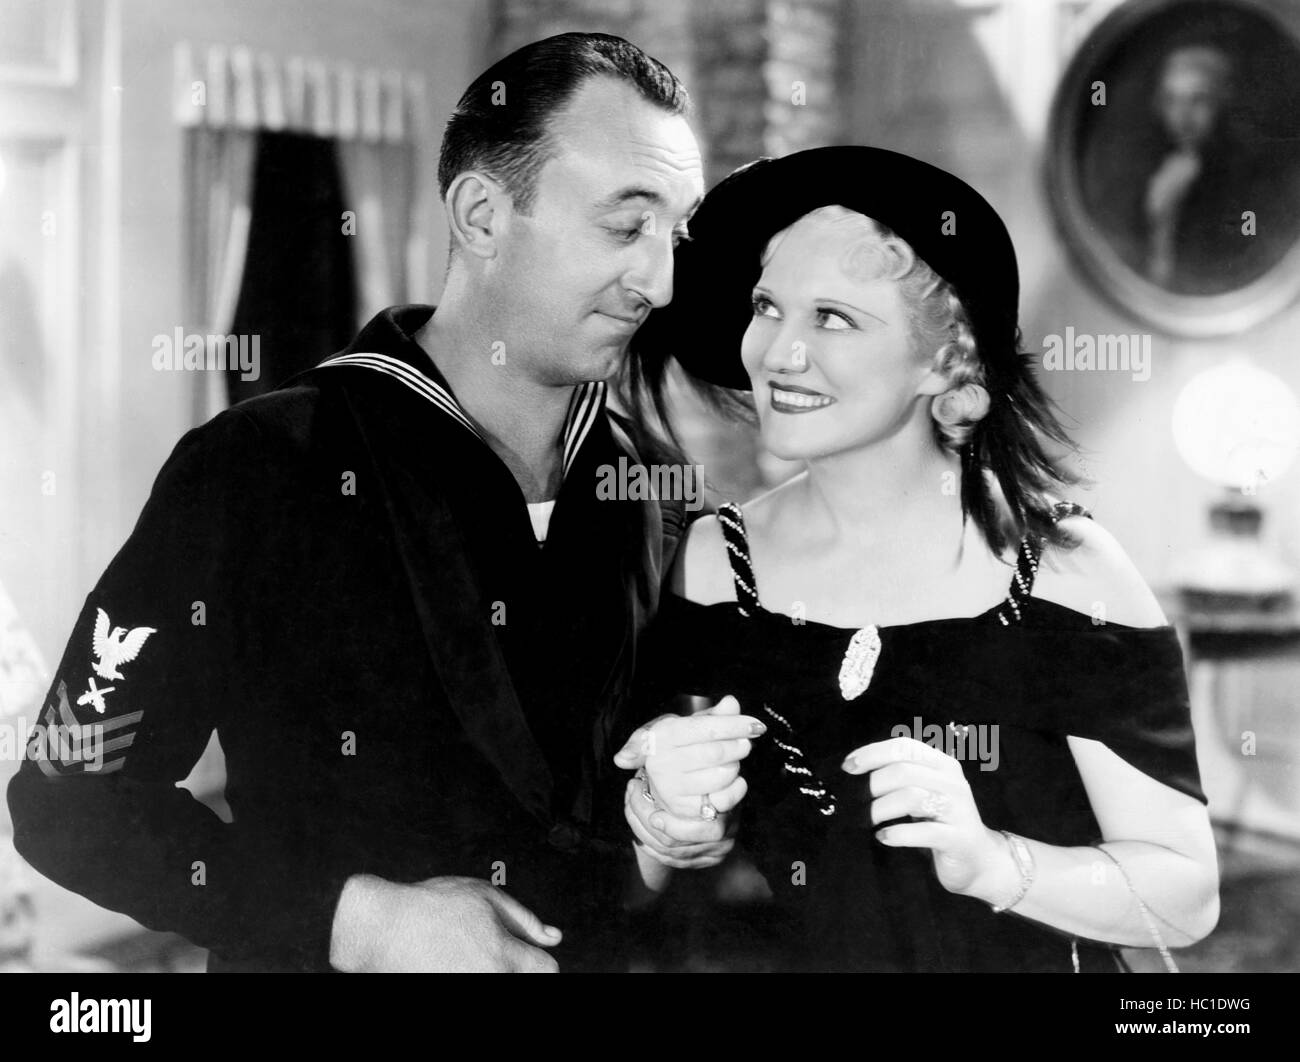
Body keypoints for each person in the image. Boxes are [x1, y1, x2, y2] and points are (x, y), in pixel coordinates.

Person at [7, 31, 751, 973]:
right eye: (624, 225)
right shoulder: (259, 466)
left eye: (675, 233)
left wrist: (671, 830)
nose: (662, 281)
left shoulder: (649, 483)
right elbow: (68, 800)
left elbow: (633, 826)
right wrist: (356, 922)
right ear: (482, 214)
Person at [621, 146, 1221, 972]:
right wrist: (663, 817)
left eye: (833, 317)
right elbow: (648, 877)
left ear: (947, 361)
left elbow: (1184, 899)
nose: (778, 353)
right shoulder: (712, 564)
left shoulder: (1067, 571)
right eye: (768, 307)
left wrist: (992, 862)